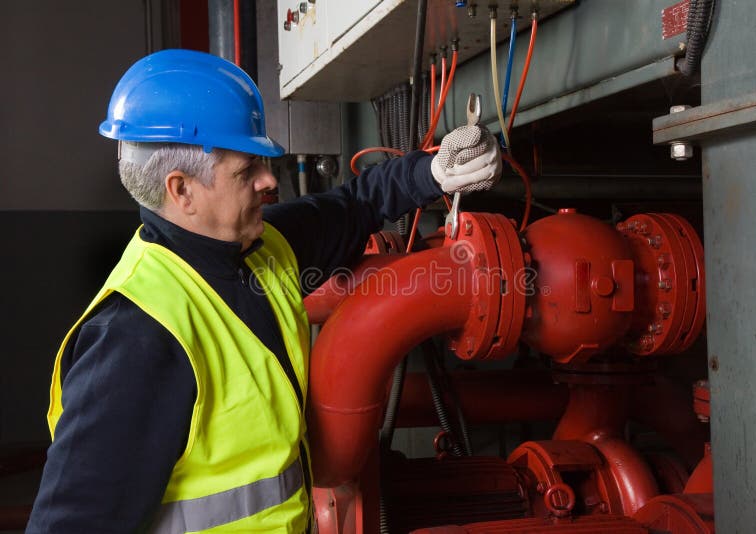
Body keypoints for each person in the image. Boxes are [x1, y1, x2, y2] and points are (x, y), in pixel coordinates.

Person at [27, 49, 501, 533]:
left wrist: (434, 173)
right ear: (181, 189)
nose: (269, 180)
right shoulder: (137, 340)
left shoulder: (262, 246)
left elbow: (355, 205)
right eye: (246, 170)